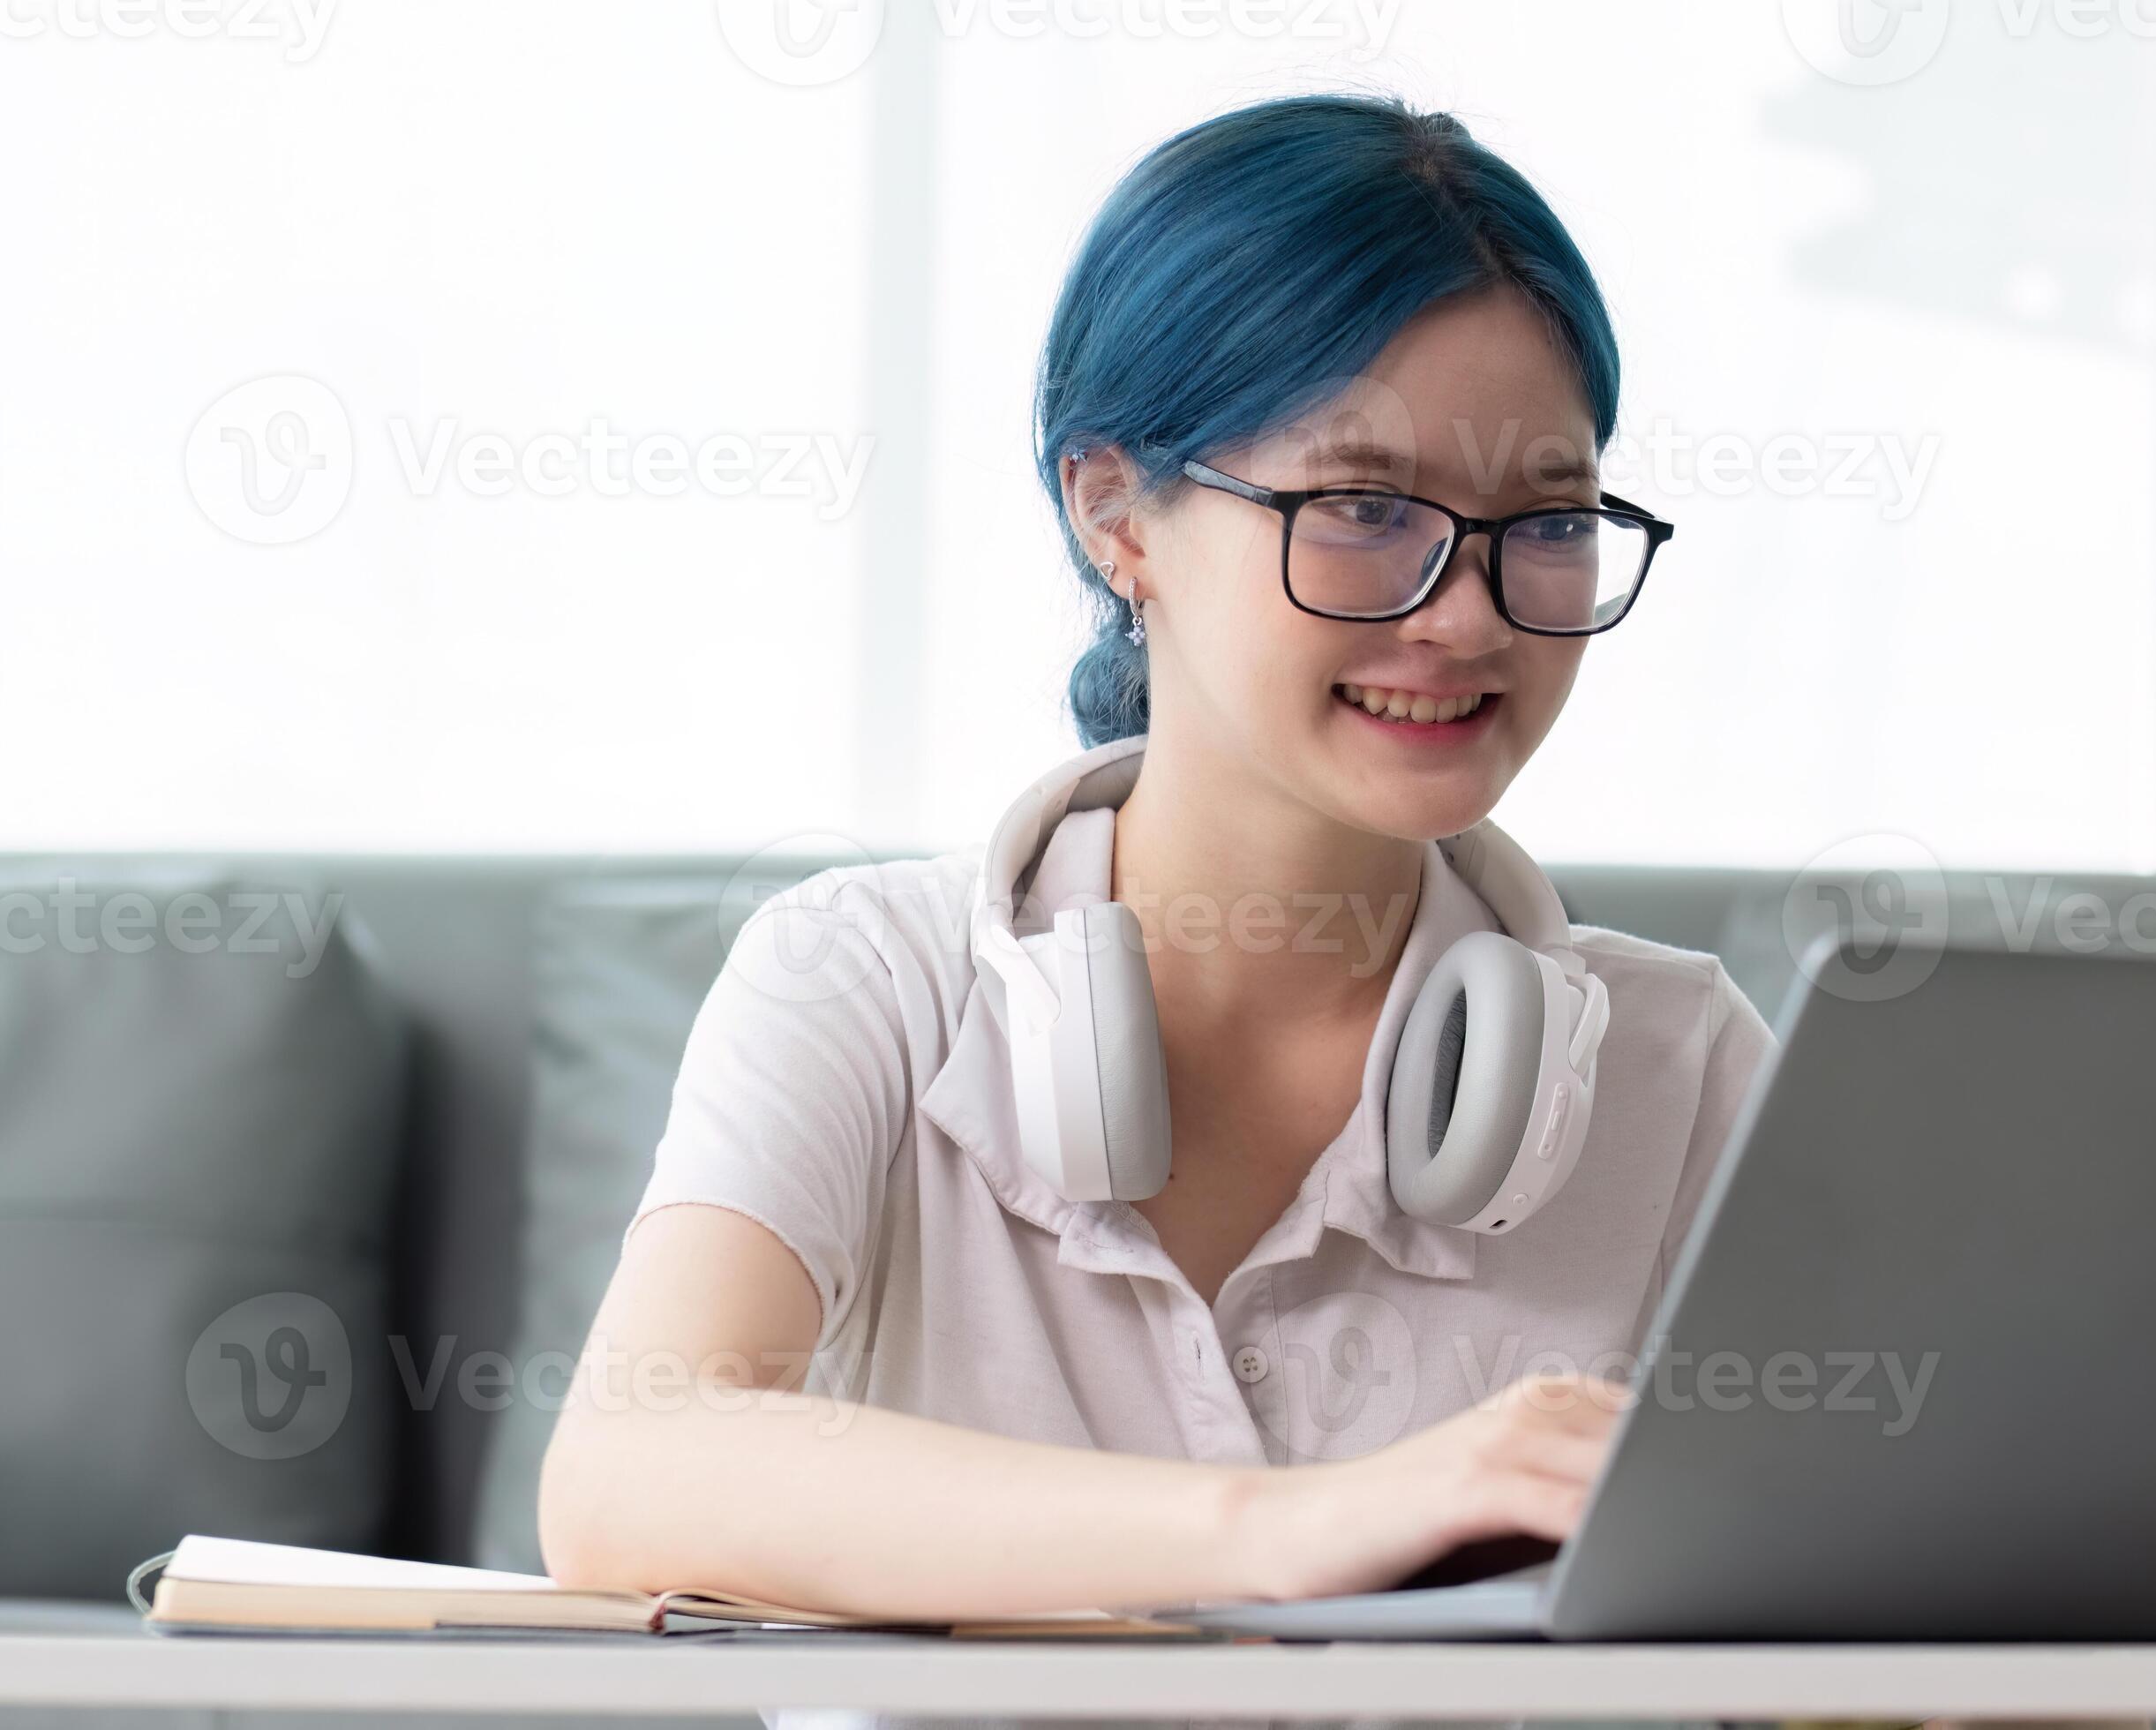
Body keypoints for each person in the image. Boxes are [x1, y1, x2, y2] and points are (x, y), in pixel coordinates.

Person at [538, 92, 1769, 1627]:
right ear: (1117, 516)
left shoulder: (1686, 1065)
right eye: (1366, 508)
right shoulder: (865, 976)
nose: (1468, 616)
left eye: (1548, 519)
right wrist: (1299, 1528)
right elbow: (631, 1474)